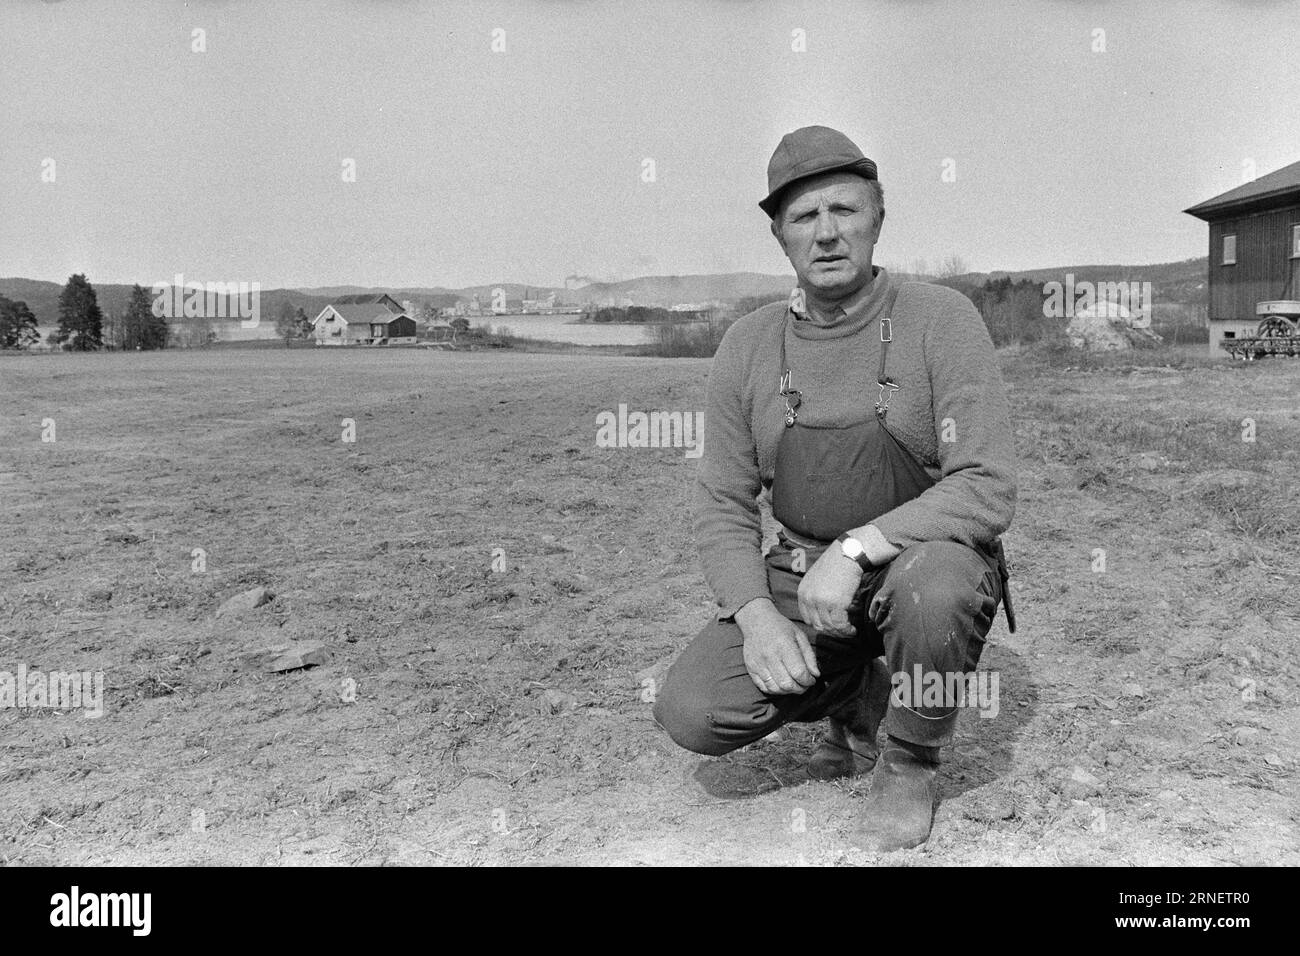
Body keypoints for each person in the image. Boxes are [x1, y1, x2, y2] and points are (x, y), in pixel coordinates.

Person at [653, 125, 1017, 852]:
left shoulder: (941, 320)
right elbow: (722, 499)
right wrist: (756, 615)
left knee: (933, 589)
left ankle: (909, 760)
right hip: (799, 575)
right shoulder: (748, 344)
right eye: (804, 217)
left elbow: (986, 483)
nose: (826, 234)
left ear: (878, 218)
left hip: (917, 560)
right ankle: (853, 692)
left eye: (844, 211)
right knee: (693, 712)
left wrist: (855, 548)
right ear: (779, 238)